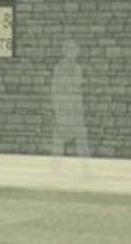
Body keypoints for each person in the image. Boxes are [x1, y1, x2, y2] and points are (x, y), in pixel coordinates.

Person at [50, 39, 90, 172]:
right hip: (63, 110)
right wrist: (58, 111)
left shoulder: (78, 69)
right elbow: (55, 91)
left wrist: (79, 112)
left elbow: (78, 90)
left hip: (75, 111)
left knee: (81, 140)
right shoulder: (58, 69)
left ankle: (86, 169)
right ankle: (56, 170)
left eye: (75, 49)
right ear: (65, 51)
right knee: (59, 141)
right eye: (71, 49)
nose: (74, 52)